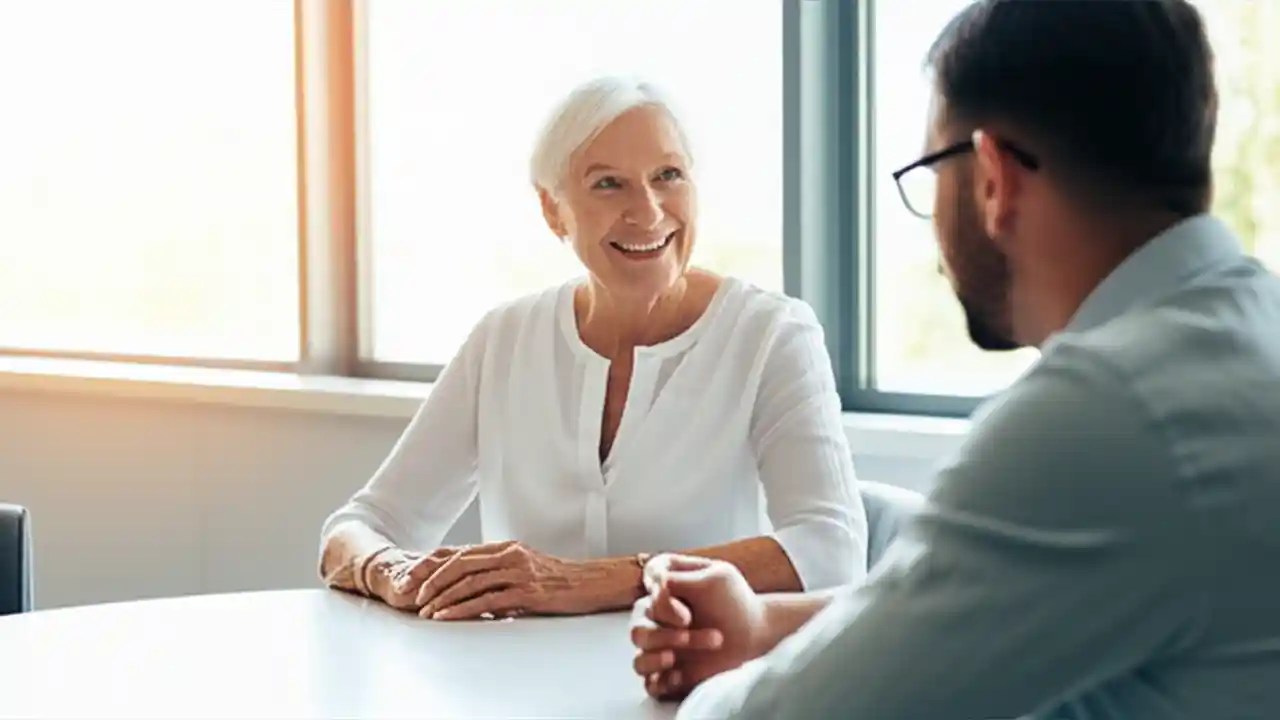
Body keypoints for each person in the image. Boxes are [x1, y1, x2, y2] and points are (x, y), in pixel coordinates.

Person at [630, 1, 1280, 717]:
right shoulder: (1245, 336)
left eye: (932, 169)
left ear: (993, 176)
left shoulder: (1110, 411)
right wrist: (764, 627)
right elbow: (1030, 602)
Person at [317, 77, 867, 621]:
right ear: (553, 210)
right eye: (608, 184)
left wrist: (589, 582)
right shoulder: (503, 338)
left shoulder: (771, 334)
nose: (648, 211)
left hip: (694, 688)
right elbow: (359, 526)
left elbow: (830, 549)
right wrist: (392, 572)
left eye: (668, 176)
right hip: (519, 690)